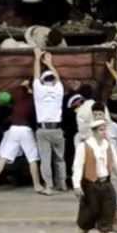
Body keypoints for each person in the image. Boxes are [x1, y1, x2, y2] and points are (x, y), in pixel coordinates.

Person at [71, 118, 117, 233]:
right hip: (90, 184)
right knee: (90, 212)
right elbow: (77, 167)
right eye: (101, 130)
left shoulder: (108, 146)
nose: (104, 132)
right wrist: (76, 185)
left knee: (108, 210)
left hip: (105, 182)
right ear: (94, 131)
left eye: (104, 129)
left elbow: (116, 164)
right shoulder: (84, 146)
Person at [0, 81, 45, 194]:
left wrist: (23, 86)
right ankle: (37, 185)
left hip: (13, 129)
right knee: (32, 159)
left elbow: (8, 96)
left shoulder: (16, 96)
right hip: (25, 129)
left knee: (3, 157)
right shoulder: (34, 99)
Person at [33, 48, 67, 194]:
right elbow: (58, 78)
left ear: (42, 81)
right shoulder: (58, 90)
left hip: (43, 130)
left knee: (45, 160)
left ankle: (49, 187)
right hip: (57, 129)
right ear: (53, 81)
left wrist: (37, 58)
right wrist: (50, 63)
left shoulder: (39, 90)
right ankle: (63, 184)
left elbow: (35, 75)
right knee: (60, 159)